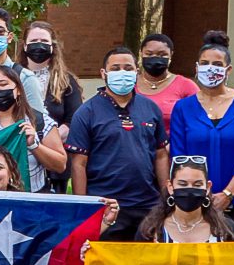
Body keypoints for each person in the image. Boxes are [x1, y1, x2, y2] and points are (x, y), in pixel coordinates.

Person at [66, 45, 168, 241]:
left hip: (148, 205)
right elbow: (78, 164)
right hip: (107, 206)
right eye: (115, 68)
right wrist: (84, 206)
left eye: (128, 68)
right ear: (103, 73)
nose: (122, 73)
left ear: (137, 72)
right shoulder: (87, 112)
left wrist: (165, 199)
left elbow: (161, 154)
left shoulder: (151, 109)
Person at [167, 32, 234, 236]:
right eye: (205, 63)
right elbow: (178, 154)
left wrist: (228, 193)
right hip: (192, 197)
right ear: (196, 68)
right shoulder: (183, 108)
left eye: (217, 64)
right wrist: (201, 192)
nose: (211, 68)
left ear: (228, 70)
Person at [0, 62, 68, 188]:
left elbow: (60, 165)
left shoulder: (40, 122)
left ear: (18, 90)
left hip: (32, 199)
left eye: (3, 84)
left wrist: (34, 146)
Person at [22, 21, 85, 131]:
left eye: (44, 41)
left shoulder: (66, 81)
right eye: (33, 41)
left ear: (52, 46)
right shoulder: (13, 77)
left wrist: (50, 140)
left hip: (54, 144)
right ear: (25, 46)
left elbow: (74, 119)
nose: (39, 44)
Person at [137, 32, 197, 113]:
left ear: (171, 55)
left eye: (162, 55)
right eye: (149, 54)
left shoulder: (186, 86)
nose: (155, 58)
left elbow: (198, 118)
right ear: (141, 53)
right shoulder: (129, 84)